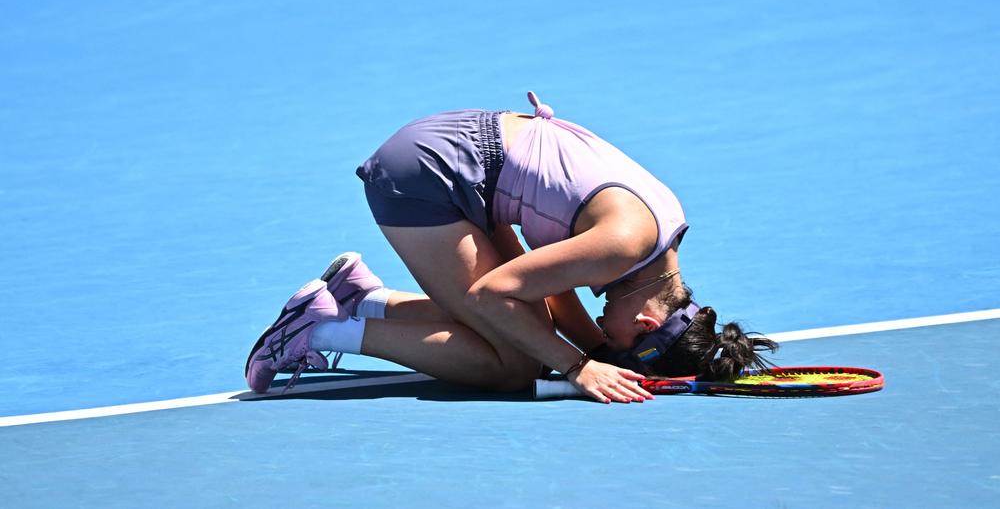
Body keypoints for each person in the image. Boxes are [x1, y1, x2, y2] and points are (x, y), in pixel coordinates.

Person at [245, 92, 777, 403]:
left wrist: (587, 348)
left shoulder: (660, 234)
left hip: (466, 153)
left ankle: (361, 299)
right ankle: (315, 329)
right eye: (623, 349)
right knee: (514, 367)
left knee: (527, 329)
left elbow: (544, 284)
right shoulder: (621, 247)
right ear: (644, 325)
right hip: (430, 175)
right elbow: (490, 293)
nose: (613, 347)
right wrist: (577, 367)